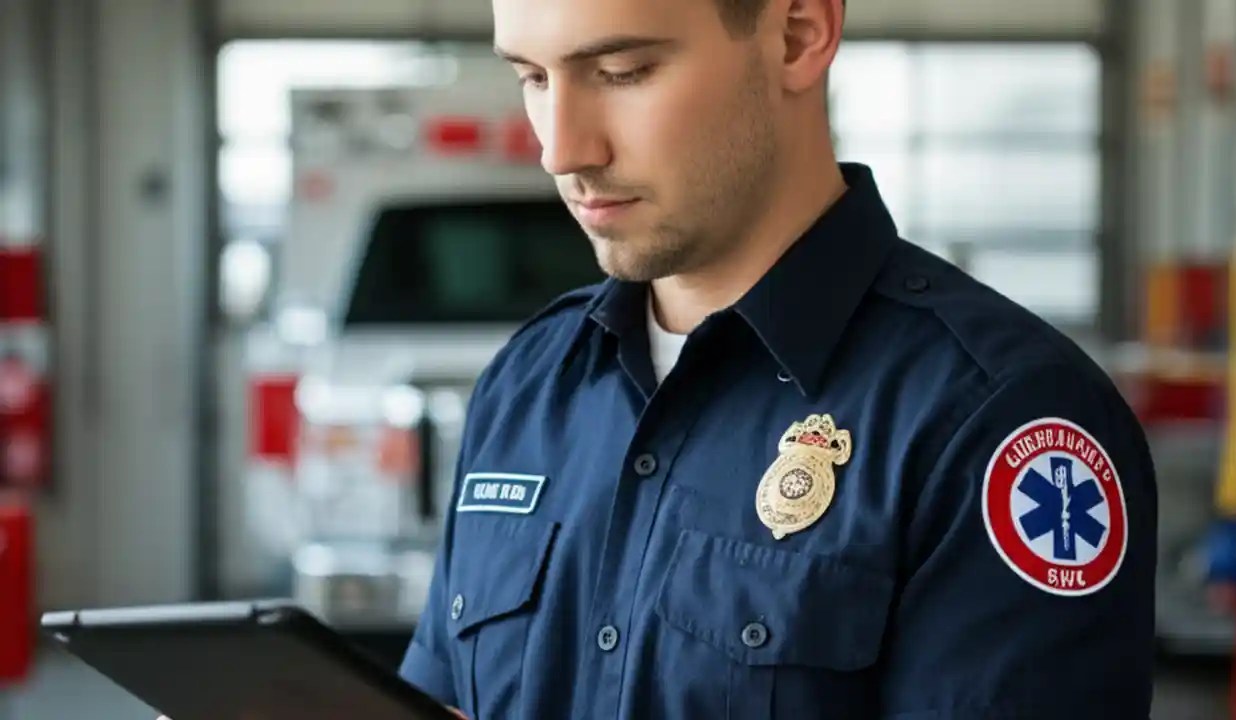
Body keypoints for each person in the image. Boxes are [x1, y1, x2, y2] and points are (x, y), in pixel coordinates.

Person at [397, 0, 1157, 717]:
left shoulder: (998, 421)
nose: (561, 148)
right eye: (532, 77)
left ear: (797, 33)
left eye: (623, 72)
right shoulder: (528, 384)